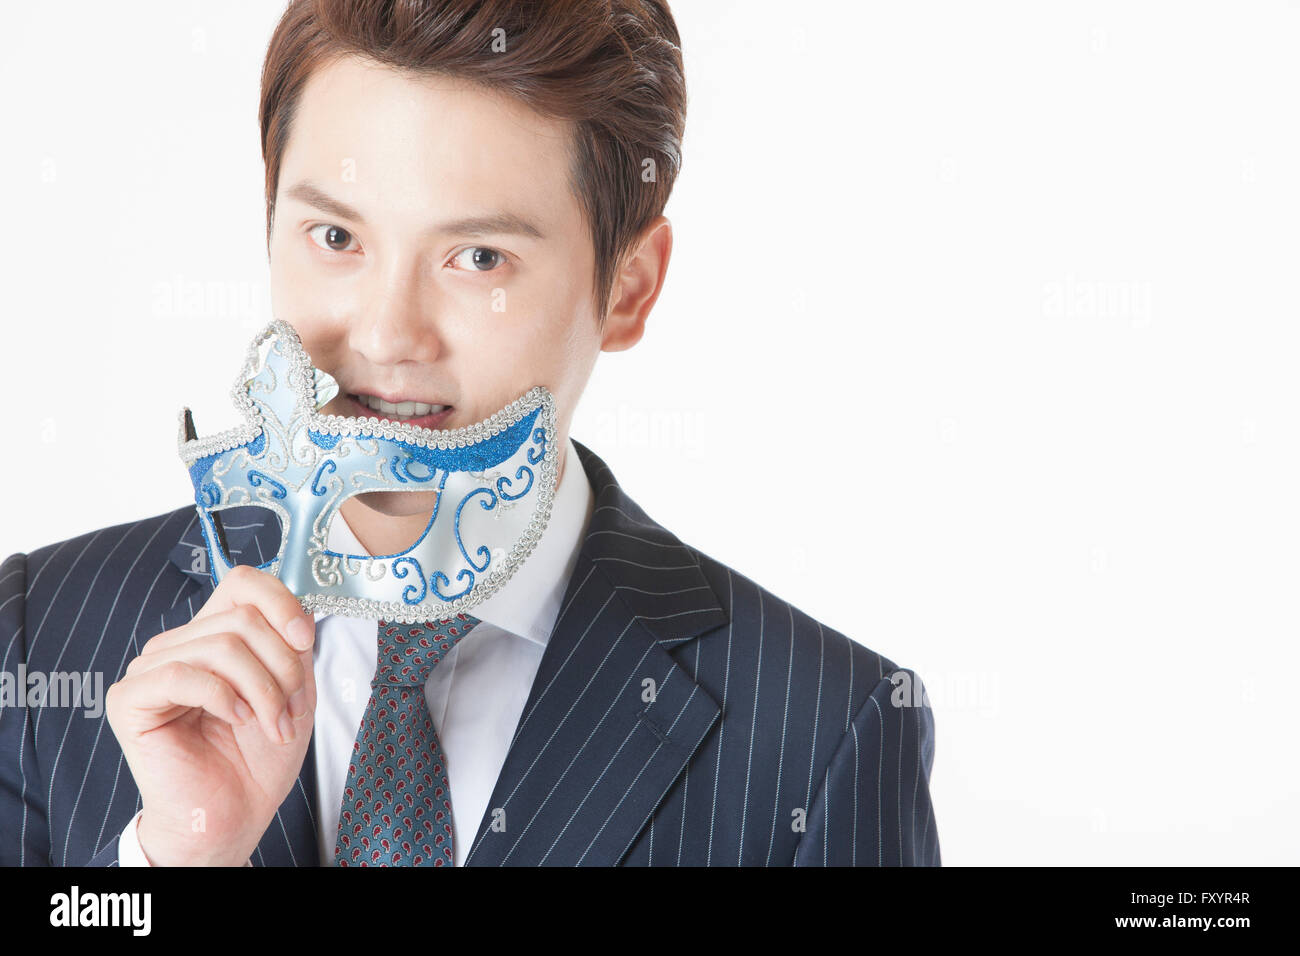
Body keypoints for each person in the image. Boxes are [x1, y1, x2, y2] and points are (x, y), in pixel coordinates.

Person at [0, 0, 940, 867]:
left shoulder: (822, 735)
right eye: (336, 238)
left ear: (629, 287)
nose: (385, 337)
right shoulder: (42, 644)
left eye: (478, 257)